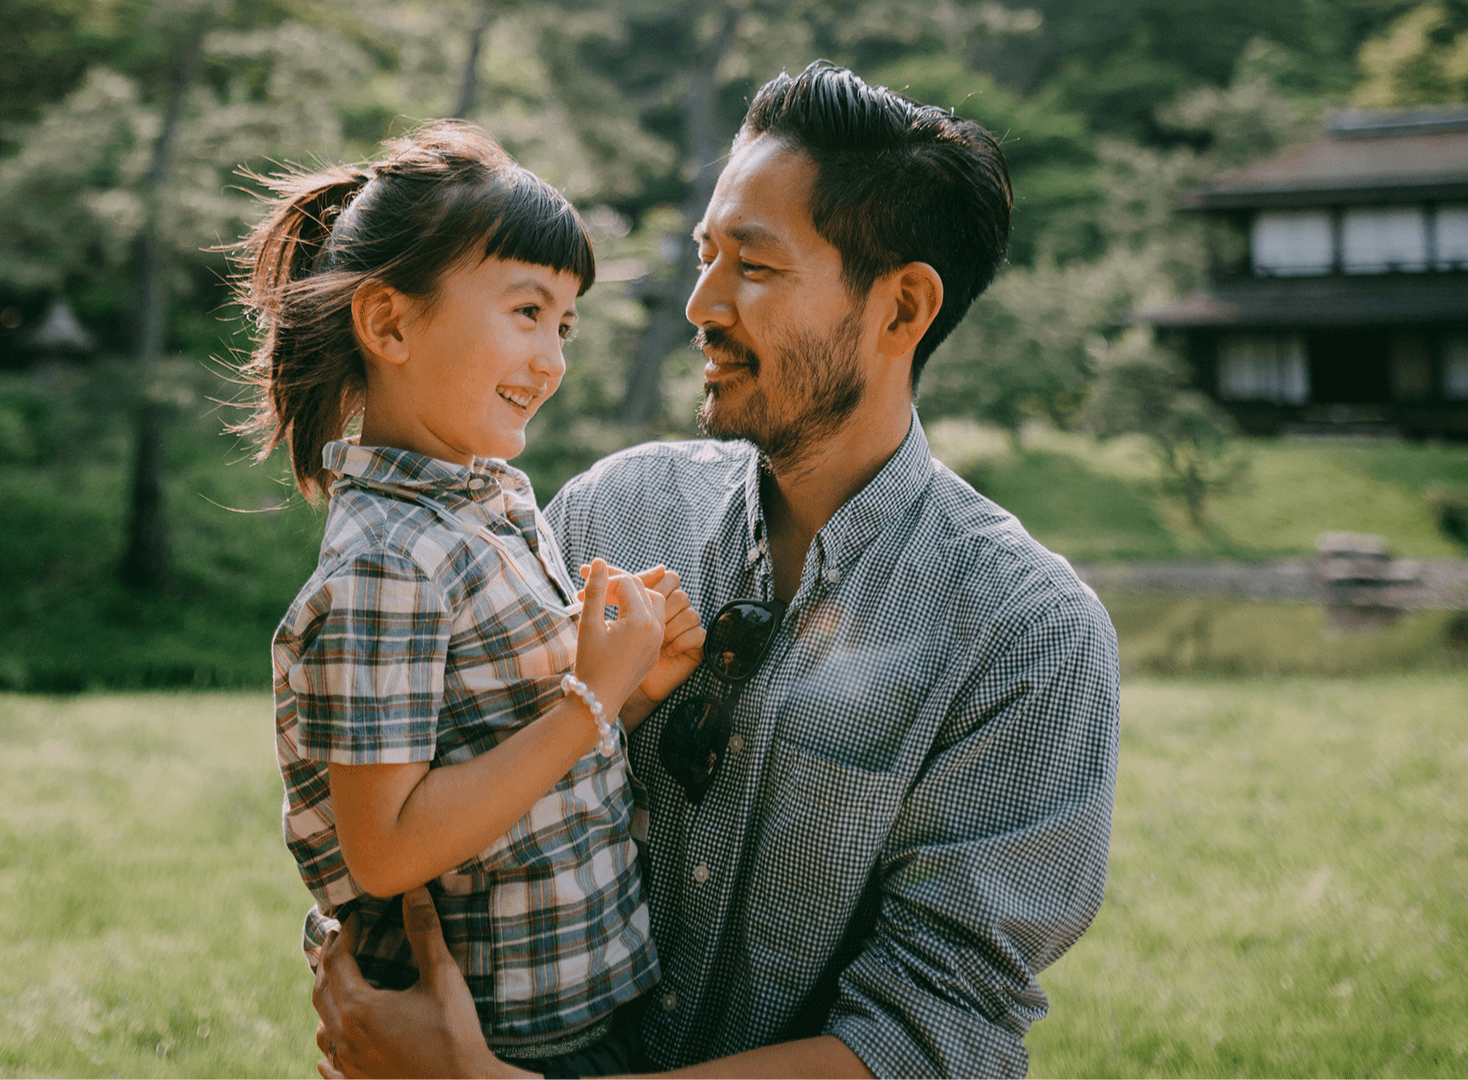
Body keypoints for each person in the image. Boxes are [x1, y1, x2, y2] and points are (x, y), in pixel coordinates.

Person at [309, 62, 1121, 1079]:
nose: (698, 302)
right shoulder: (612, 509)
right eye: (704, 255)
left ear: (902, 310)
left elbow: (931, 1039)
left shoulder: (1027, 638)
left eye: (754, 266)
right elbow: (444, 800)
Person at [235, 121, 708, 1076]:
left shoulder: (487, 505)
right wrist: (590, 703)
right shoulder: (388, 565)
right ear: (390, 324)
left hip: (586, 1015)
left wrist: (631, 685)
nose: (552, 358)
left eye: (565, 324)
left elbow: (505, 755)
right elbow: (387, 847)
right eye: (527, 311)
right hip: (492, 1042)